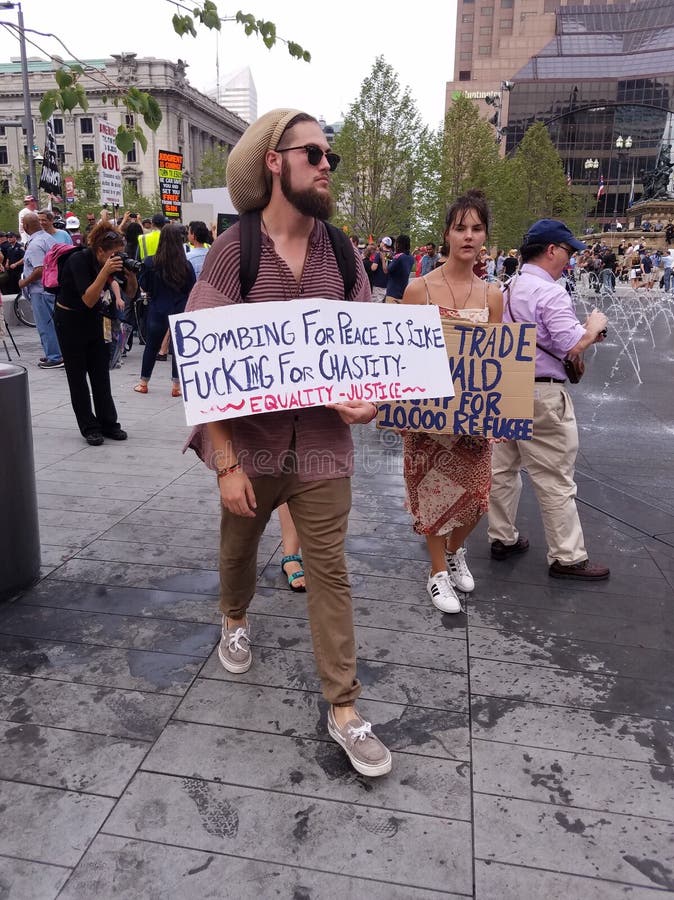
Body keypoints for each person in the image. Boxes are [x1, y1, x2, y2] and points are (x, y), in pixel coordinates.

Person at [183, 108, 391, 778]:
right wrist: (224, 464)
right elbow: (203, 364)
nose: (325, 164)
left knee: (328, 569)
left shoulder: (342, 250)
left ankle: (344, 710)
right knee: (238, 546)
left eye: (329, 155)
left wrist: (371, 393)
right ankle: (234, 615)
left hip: (324, 446)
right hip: (252, 445)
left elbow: (365, 343)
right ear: (274, 161)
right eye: (312, 153)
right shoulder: (234, 249)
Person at [487, 218, 610, 581]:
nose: (570, 259)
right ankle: (567, 556)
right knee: (554, 476)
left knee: (503, 468)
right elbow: (571, 345)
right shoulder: (551, 292)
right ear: (552, 250)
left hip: (506, 387)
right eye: (568, 251)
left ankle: (502, 537)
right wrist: (594, 326)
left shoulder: (506, 288)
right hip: (541, 394)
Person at [401, 190, 503, 614]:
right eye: (460, 227)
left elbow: (498, 360)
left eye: (476, 228)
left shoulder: (492, 296)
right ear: (446, 233)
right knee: (430, 496)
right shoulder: (418, 290)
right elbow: (402, 358)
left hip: (472, 418)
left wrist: (496, 413)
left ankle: (457, 550)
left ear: (485, 236)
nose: (468, 235)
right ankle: (437, 571)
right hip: (428, 418)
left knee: (479, 498)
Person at [52, 223, 133, 444]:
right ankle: (89, 427)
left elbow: (130, 293)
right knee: (78, 377)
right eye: (113, 254)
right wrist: (105, 272)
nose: (117, 257)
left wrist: (131, 274)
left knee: (101, 374)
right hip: (70, 321)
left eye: (120, 253)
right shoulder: (78, 260)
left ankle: (109, 424)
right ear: (99, 251)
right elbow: (88, 299)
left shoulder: (113, 263)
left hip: (96, 320)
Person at [134, 224, 196, 396]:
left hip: (158, 308)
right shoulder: (186, 265)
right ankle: (176, 386)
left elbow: (144, 285)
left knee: (152, 346)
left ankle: (143, 382)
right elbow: (192, 287)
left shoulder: (150, 262)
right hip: (179, 308)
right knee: (178, 349)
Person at [18, 213, 63, 368]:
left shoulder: (36, 244)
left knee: (45, 325)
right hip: (51, 289)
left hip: (40, 290)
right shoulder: (48, 239)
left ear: (25, 226)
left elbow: (39, 270)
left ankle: (55, 356)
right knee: (53, 323)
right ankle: (55, 352)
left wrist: (24, 282)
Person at [385, 234, 414, 301]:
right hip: (404, 292)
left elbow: (387, 270)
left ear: (399, 244)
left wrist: (383, 259)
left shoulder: (398, 257)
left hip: (392, 293)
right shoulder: (411, 258)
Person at [370, 237, 391, 302]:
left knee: (376, 304)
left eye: (381, 242)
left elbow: (374, 268)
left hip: (378, 284)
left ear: (384, 244)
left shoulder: (379, 254)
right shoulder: (392, 254)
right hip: (387, 284)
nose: (380, 243)